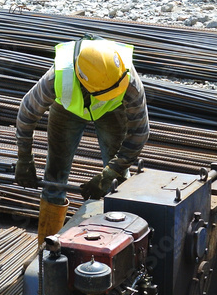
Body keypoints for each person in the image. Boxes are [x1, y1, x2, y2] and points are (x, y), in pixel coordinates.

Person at [14, 36, 151, 244]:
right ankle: (47, 248)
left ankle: (121, 246)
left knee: (119, 180)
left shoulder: (127, 80)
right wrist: (24, 158)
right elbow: (27, 114)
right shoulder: (57, 78)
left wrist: (110, 173)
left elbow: (140, 132)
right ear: (83, 82)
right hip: (67, 108)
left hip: (112, 111)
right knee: (54, 176)